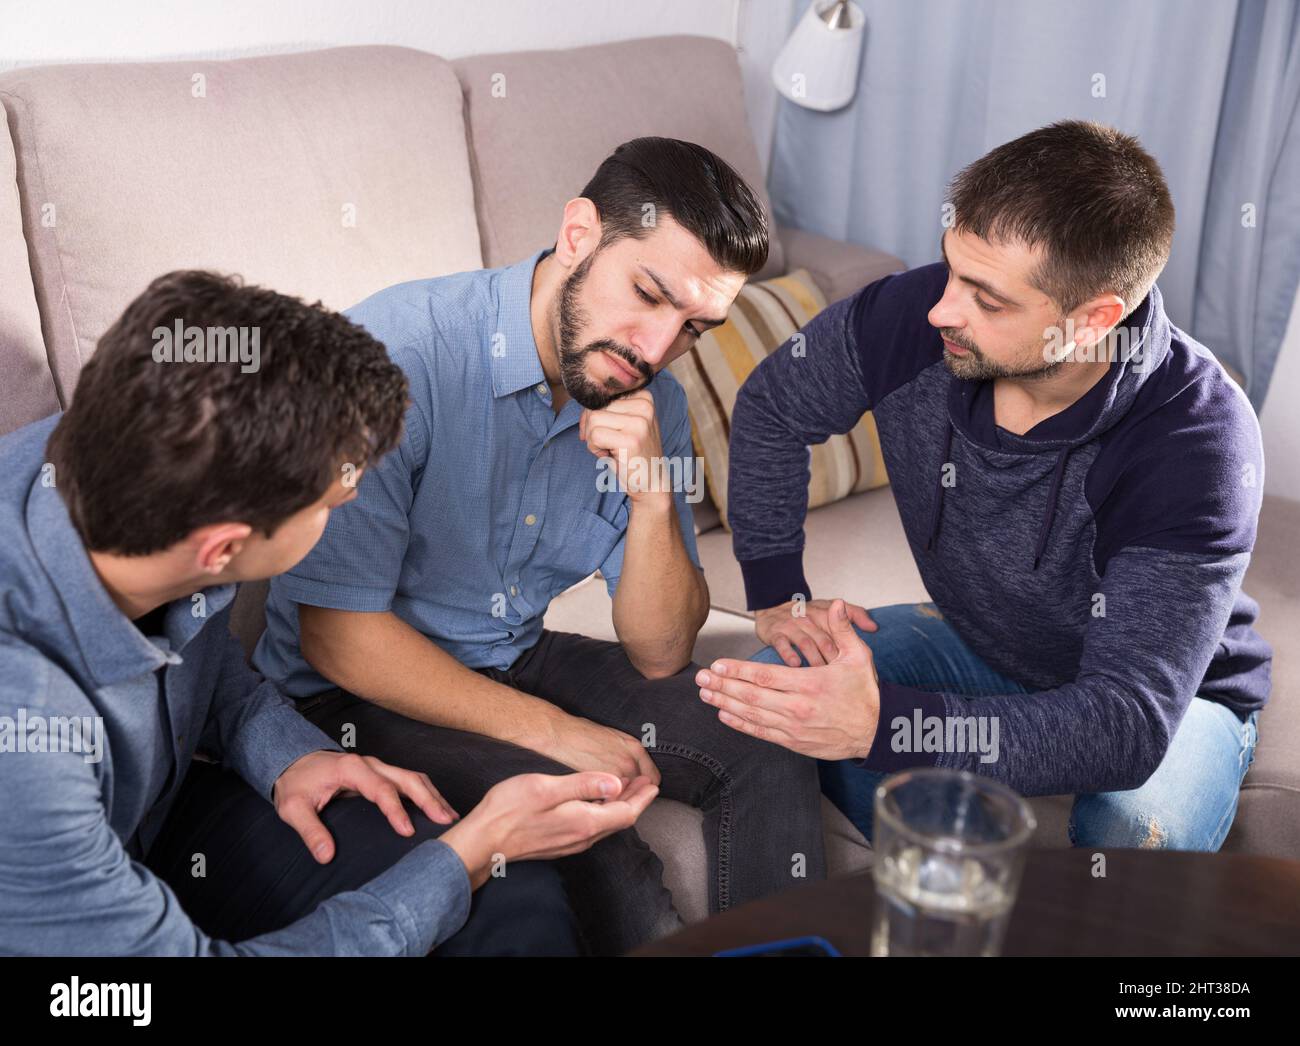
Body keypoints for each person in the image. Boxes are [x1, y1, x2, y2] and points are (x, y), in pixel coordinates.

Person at [255, 137, 827, 954]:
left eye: (695, 326)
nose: (657, 348)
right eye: (648, 293)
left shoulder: (652, 395)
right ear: (578, 235)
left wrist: (653, 497)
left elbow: (662, 652)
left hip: (511, 653)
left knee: (765, 735)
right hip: (354, 698)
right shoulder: (397, 358)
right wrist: (552, 732)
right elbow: (337, 636)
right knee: (592, 828)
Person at [0, 270, 655, 956]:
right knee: (467, 866)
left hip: (151, 819)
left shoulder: (125, 449)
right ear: (223, 547)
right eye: (329, 505)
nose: (349, 503)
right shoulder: (32, 729)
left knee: (505, 891)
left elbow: (205, 651)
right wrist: (469, 846)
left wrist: (287, 754)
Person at [701, 120, 1270, 852]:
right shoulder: (915, 317)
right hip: (984, 645)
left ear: (1093, 320)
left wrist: (887, 727)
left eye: (988, 299)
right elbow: (774, 408)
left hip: (1174, 697)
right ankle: (967, 892)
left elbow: (1125, 724)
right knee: (770, 696)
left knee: (1131, 834)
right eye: (951, 271)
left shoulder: (1198, 443)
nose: (942, 310)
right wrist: (778, 591)